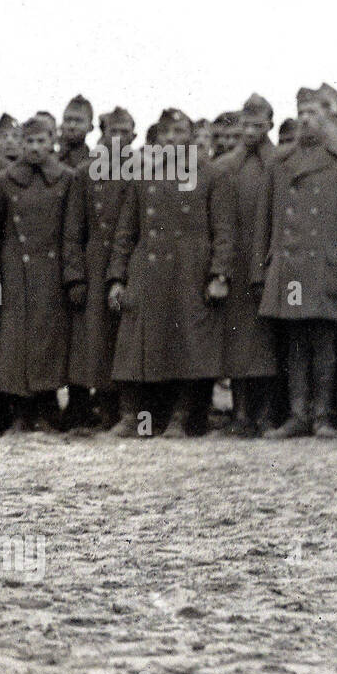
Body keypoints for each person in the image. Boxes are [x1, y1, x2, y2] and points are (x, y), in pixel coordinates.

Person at [108, 108, 235, 437]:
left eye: (179, 132)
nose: (172, 139)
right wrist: (117, 278)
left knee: (188, 345)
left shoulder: (210, 174)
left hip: (189, 271)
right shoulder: (142, 173)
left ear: (191, 137)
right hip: (147, 270)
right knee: (139, 346)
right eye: (165, 133)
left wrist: (219, 274)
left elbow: (223, 231)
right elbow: (126, 231)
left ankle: (180, 418)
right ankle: (135, 418)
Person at [251, 89, 337, 437]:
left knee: (324, 341)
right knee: (294, 340)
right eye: (301, 112)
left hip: (325, 265)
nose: (305, 118)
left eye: (312, 112)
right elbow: (266, 219)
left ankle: (322, 415)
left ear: (326, 117)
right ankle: (297, 414)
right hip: (290, 268)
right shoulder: (281, 162)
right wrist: (260, 270)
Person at [0, 116, 84, 432]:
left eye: (41, 141)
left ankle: (46, 409)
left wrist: (73, 275)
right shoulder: (2, 182)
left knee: (49, 340)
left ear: (53, 142)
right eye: (29, 141)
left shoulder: (67, 179)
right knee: (15, 341)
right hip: (15, 269)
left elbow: (72, 231)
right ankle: (20, 411)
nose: (34, 148)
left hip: (51, 270)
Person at [214, 94, 278, 434]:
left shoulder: (279, 162)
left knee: (268, 342)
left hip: (268, 262)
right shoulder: (226, 166)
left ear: (269, 124)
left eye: (258, 125)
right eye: (246, 125)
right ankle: (240, 414)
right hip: (237, 265)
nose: (251, 131)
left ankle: (267, 413)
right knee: (238, 342)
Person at [66, 107, 133, 430]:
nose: (119, 138)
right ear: (102, 134)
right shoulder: (84, 173)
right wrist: (75, 276)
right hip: (95, 264)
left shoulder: (144, 170)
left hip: (133, 262)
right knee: (97, 339)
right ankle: (103, 408)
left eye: (125, 131)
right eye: (113, 131)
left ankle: (129, 408)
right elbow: (73, 231)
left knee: (128, 336)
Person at [58, 95, 94, 173]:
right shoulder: (48, 161)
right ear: (61, 125)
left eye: (78, 121)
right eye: (68, 120)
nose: (72, 126)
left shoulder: (94, 165)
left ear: (90, 127)